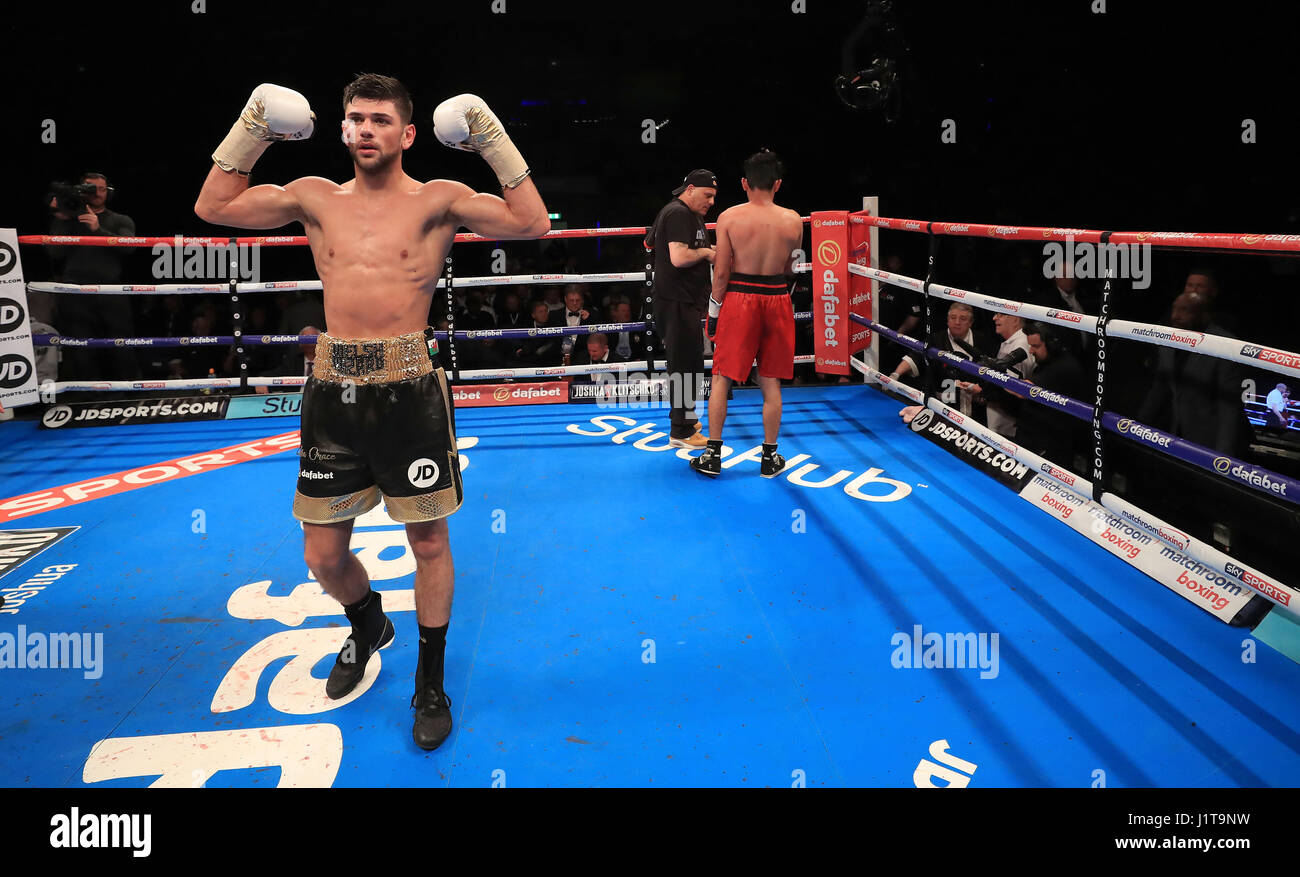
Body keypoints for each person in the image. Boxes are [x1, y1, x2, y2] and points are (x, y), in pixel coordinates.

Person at [194, 75, 549, 751]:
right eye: (355, 118)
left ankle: (431, 679)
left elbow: (531, 221)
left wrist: (492, 140)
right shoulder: (313, 197)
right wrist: (255, 126)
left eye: (380, 120)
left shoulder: (439, 200)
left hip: (410, 388)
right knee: (323, 555)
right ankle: (367, 620)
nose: (364, 129)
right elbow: (214, 207)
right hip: (333, 389)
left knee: (429, 543)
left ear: (407, 134)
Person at [690, 151, 803, 478]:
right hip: (777, 296)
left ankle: (712, 455)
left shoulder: (729, 218)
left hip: (740, 297)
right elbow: (793, 268)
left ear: (744, 183)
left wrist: (714, 310)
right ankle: (770, 458)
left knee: (722, 376)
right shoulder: (794, 220)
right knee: (771, 380)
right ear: (777, 184)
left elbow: (721, 274)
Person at [645, 169, 717, 448]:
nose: (711, 201)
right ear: (690, 189)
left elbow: (651, 241)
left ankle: (685, 418)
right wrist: (709, 253)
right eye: (707, 195)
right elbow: (678, 257)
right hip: (674, 299)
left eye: (713, 196)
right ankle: (682, 431)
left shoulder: (689, 215)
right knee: (684, 365)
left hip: (683, 299)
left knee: (690, 362)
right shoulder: (677, 213)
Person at [45, 172, 139, 382]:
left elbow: (129, 247)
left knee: (121, 343)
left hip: (110, 291)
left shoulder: (120, 220)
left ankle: (127, 393)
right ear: (80, 191)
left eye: (102, 189)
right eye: (91, 188)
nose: (97, 193)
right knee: (80, 346)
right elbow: (54, 252)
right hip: (75, 292)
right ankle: (86, 396)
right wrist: (62, 219)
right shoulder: (68, 221)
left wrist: (98, 230)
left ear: (109, 192)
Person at [1136, 291, 1249, 454]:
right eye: (1174, 309)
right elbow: (1160, 388)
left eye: (1184, 311)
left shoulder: (1225, 346)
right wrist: (1138, 426)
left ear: (1203, 315)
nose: (1176, 316)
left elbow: (1229, 408)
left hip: (1212, 441)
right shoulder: (1169, 338)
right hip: (1178, 434)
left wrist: (1223, 457)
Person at [1015, 322, 1086, 466]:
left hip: (1050, 445)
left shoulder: (1064, 367)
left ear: (1053, 345)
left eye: (1035, 346)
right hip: (1035, 436)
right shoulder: (1046, 363)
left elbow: (1026, 390)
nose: (1031, 351)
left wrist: (996, 375)